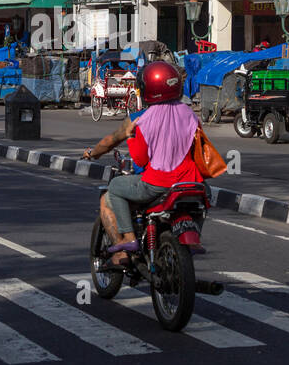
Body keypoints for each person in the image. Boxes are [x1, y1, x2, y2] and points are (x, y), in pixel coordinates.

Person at [85, 61, 202, 268]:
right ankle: (192, 237)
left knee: (113, 189)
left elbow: (137, 158)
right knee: (198, 204)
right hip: (190, 183)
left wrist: (93, 153)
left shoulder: (140, 120)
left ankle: (127, 241)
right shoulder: (192, 115)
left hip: (156, 183)